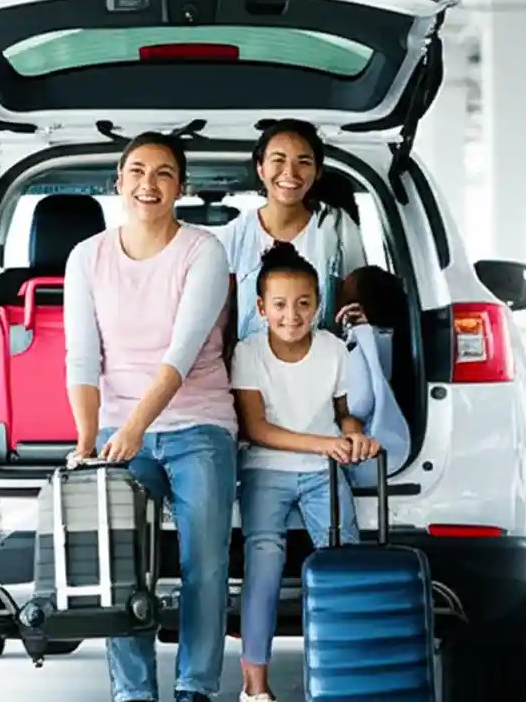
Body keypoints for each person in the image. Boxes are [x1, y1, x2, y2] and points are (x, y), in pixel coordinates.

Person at [62, 131, 238, 702]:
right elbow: (83, 356)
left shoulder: (203, 250)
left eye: (164, 173)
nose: (149, 183)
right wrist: (88, 440)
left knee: (203, 563)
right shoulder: (87, 256)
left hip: (199, 425)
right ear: (119, 181)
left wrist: (135, 429)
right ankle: (134, 692)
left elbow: (181, 355)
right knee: (123, 568)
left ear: (181, 187)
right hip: (118, 429)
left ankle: (196, 687)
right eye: (137, 170)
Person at [229, 241, 381, 702]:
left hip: (323, 471)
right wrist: (327, 443)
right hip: (266, 472)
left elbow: (345, 412)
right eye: (279, 305)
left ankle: (347, 671)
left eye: (303, 304)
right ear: (260, 307)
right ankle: (255, 688)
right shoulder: (248, 353)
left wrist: (353, 435)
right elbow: (256, 429)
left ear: (318, 304)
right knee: (264, 570)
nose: (291, 315)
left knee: (342, 563)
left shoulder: (335, 350)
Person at [216, 118, 370, 342]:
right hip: (251, 369)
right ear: (260, 168)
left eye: (303, 162)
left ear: (317, 171)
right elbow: (221, 319)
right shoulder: (235, 235)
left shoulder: (335, 227)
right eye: (278, 160)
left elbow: (357, 304)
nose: (290, 172)